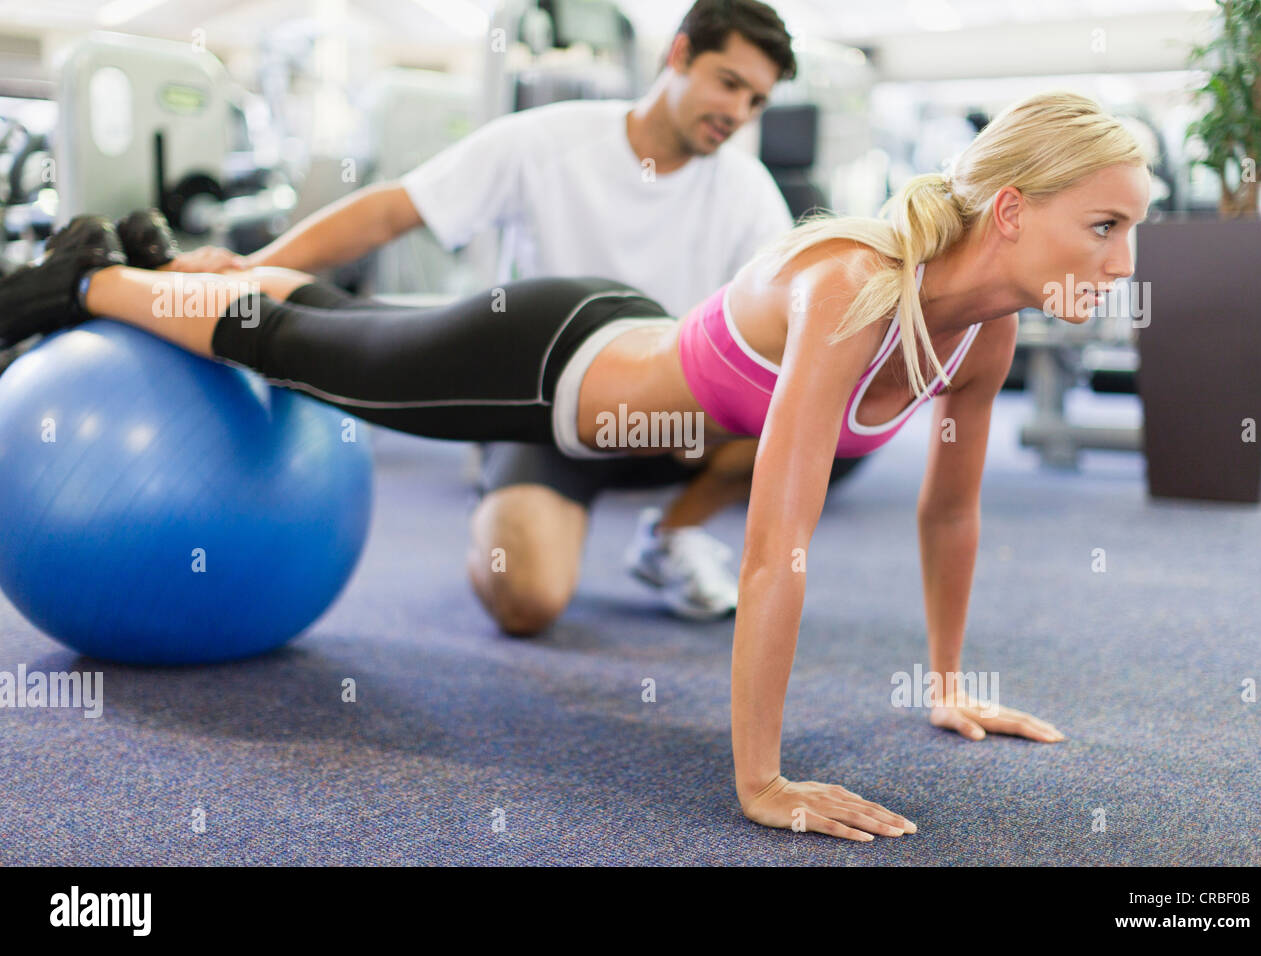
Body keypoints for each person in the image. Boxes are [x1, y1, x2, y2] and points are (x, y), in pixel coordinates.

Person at [0, 91, 1147, 841]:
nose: (1124, 256)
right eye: (1103, 224)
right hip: (545, 368)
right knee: (306, 351)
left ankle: (172, 264)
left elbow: (950, 517)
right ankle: (82, 282)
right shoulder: (855, 287)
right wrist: (761, 779)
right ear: (1009, 211)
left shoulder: (981, 331)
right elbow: (774, 544)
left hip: (620, 354)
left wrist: (945, 681)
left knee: (357, 324)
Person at [166, 0, 816, 633]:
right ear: (679, 55)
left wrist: (719, 406)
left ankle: (673, 534)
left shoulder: (746, 190)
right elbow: (394, 210)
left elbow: (785, 329)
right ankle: (501, 476)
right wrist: (253, 270)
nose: (736, 112)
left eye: (755, 100)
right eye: (728, 84)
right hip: (546, 413)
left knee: (810, 419)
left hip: (677, 419)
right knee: (525, 600)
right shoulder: (549, 140)